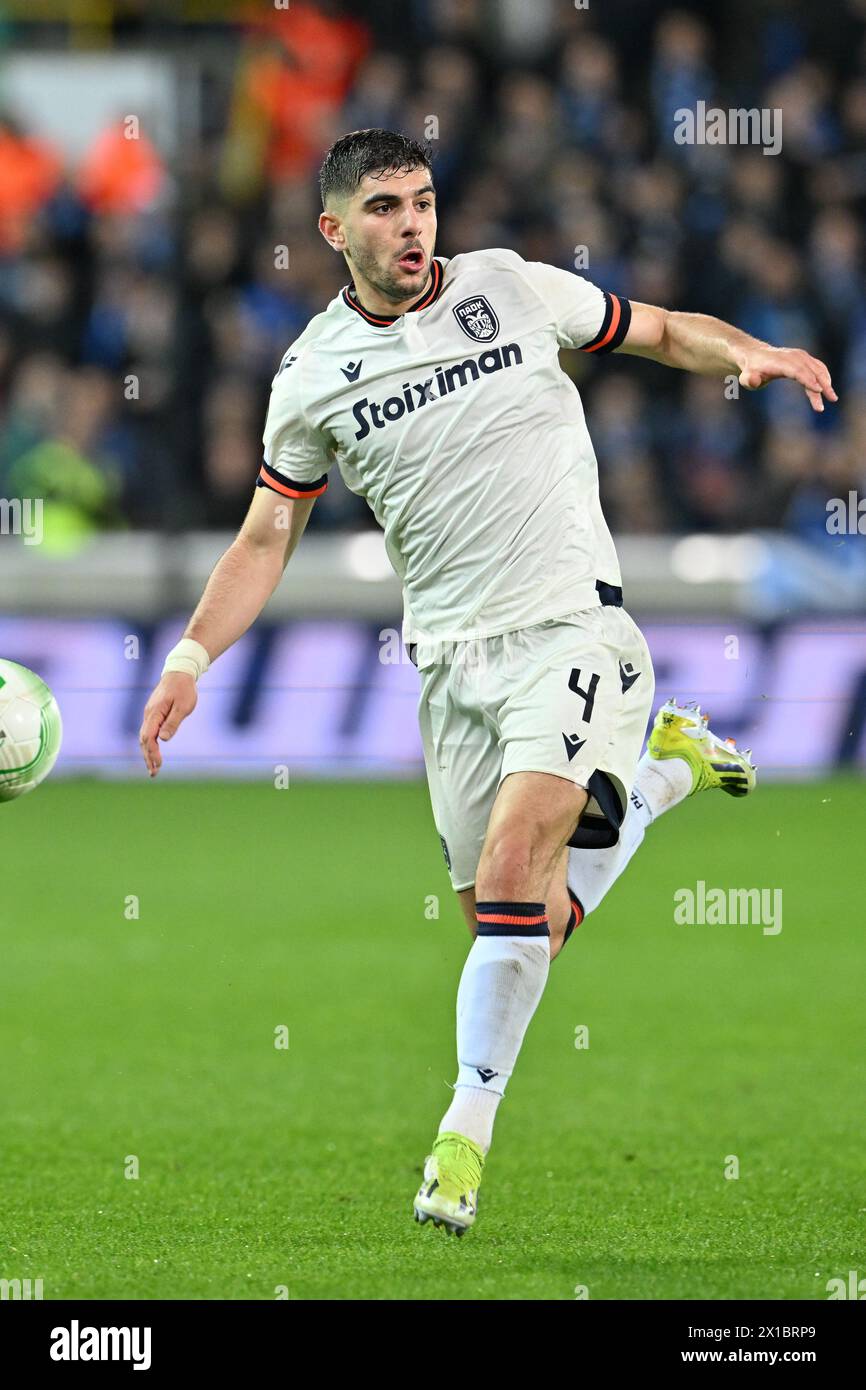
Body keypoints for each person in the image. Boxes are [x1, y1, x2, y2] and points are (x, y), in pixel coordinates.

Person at [139, 129, 836, 1236]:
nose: (411, 223)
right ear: (333, 232)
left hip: (572, 628)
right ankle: (661, 773)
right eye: (382, 207)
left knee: (517, 864)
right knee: (515, 919)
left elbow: (651, 328)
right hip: (450, 668)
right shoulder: (312, 377)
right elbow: (266, 536)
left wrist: (746, 350)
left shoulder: (509, 284)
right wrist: (188, 658)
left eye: (420, 199)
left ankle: (460, 1139)